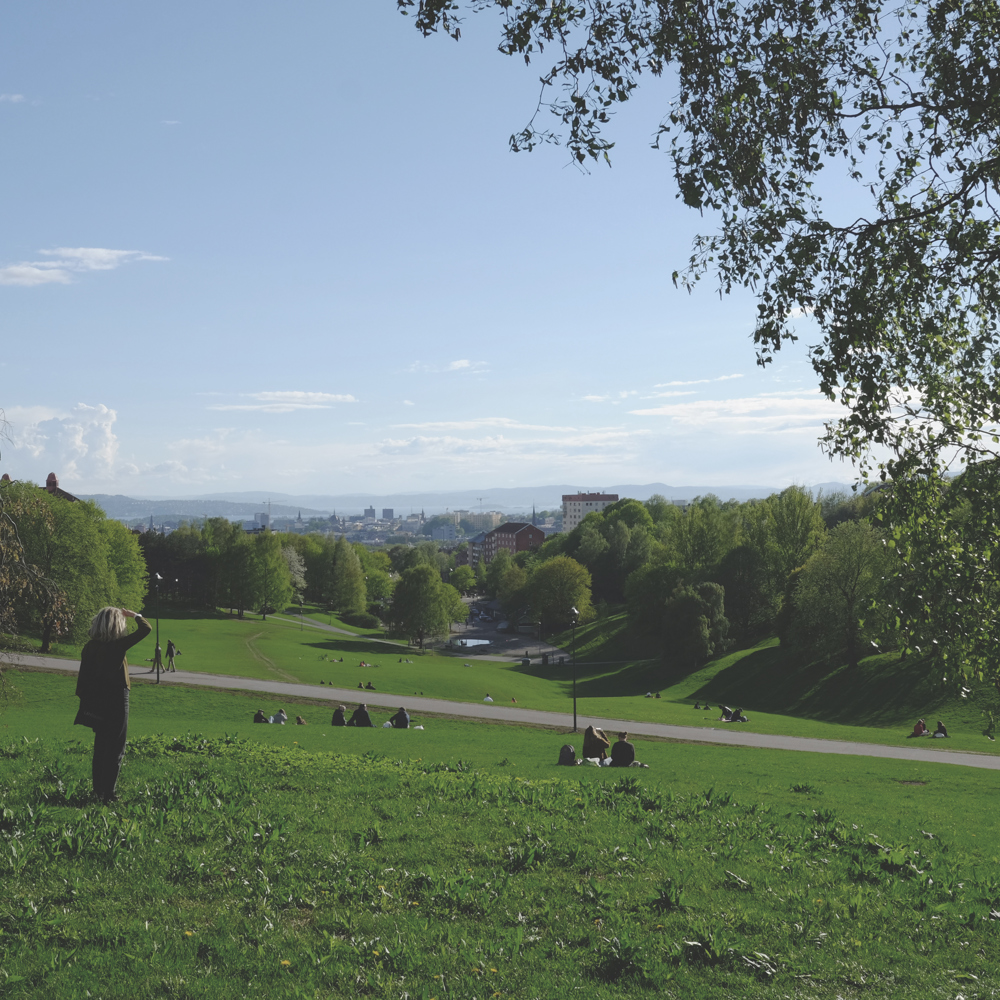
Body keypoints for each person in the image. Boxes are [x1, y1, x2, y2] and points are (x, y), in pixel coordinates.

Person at [73, 607, 151, 804]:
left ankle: (98, 790)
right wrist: (136, 615)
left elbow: (83, 679)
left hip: (97, 700)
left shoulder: (90, 647)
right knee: (116, 747)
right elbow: (146, 629)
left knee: (101, 746)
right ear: (116, 626)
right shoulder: (117, 646)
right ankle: (109, 794)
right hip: (117, 699)